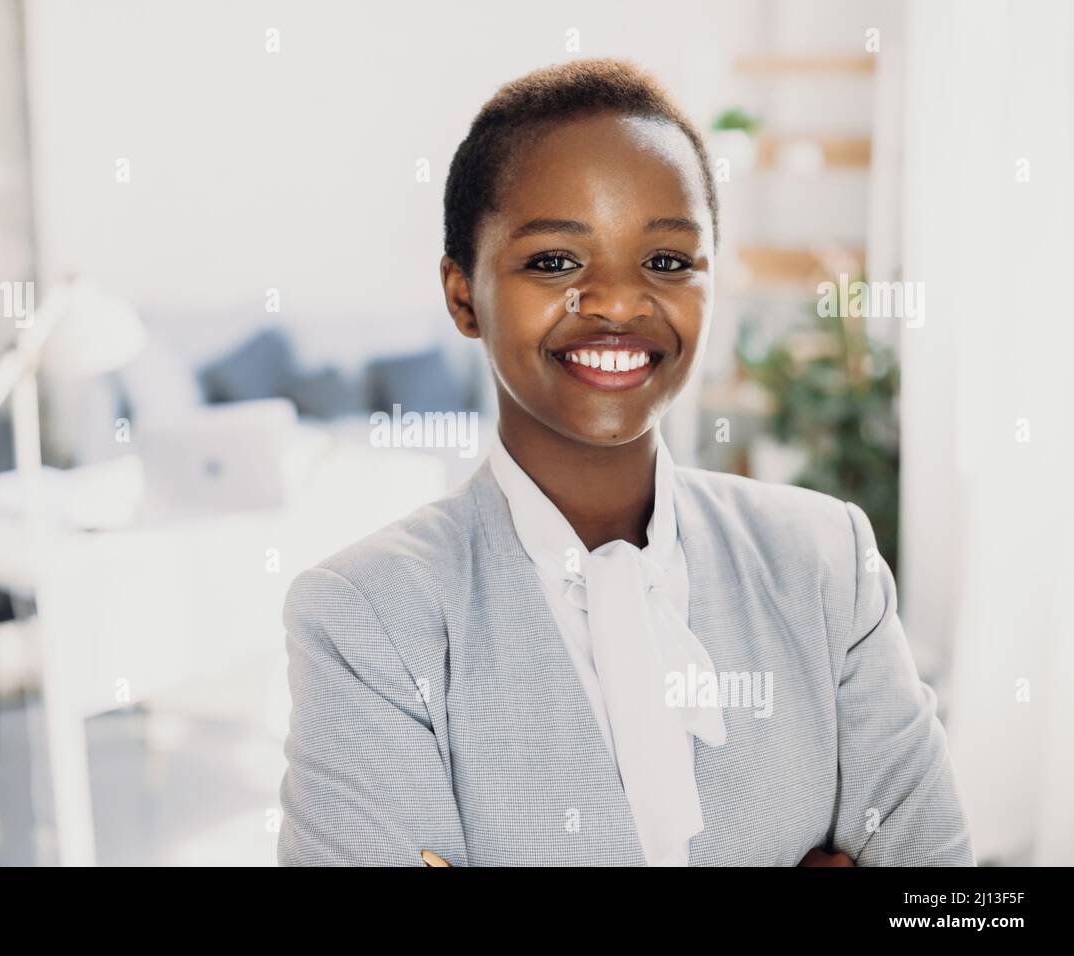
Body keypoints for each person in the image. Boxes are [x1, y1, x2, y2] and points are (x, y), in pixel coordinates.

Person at [277, 58, 974, 867]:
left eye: (668, 262)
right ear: (464, 294)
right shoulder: (368, 617)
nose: (614, 303)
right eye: (554, 262)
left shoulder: (825, 562)